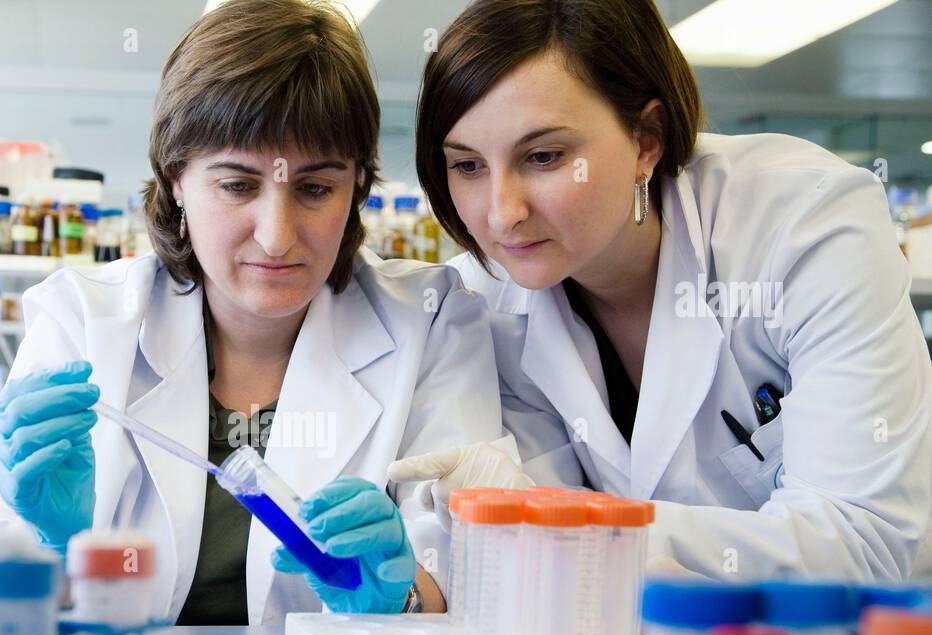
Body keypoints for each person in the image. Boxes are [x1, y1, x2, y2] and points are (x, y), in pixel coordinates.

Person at [0, 0, 507, 622]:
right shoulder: (86, 323)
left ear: (358, 186)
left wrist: (401, 595)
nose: (277, 235)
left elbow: (483, 581)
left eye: (315, 188)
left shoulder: (432, 321)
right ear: (176, 179)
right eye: (237, 186)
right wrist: (46, 539)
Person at [395, 0, 932, 581]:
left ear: (646, 140)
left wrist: (574, 525)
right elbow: (545, 575)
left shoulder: (802, 224)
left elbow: (865, 542)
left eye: (544, 156)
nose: (503, 215)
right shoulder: (489, 304)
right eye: (468, 166)